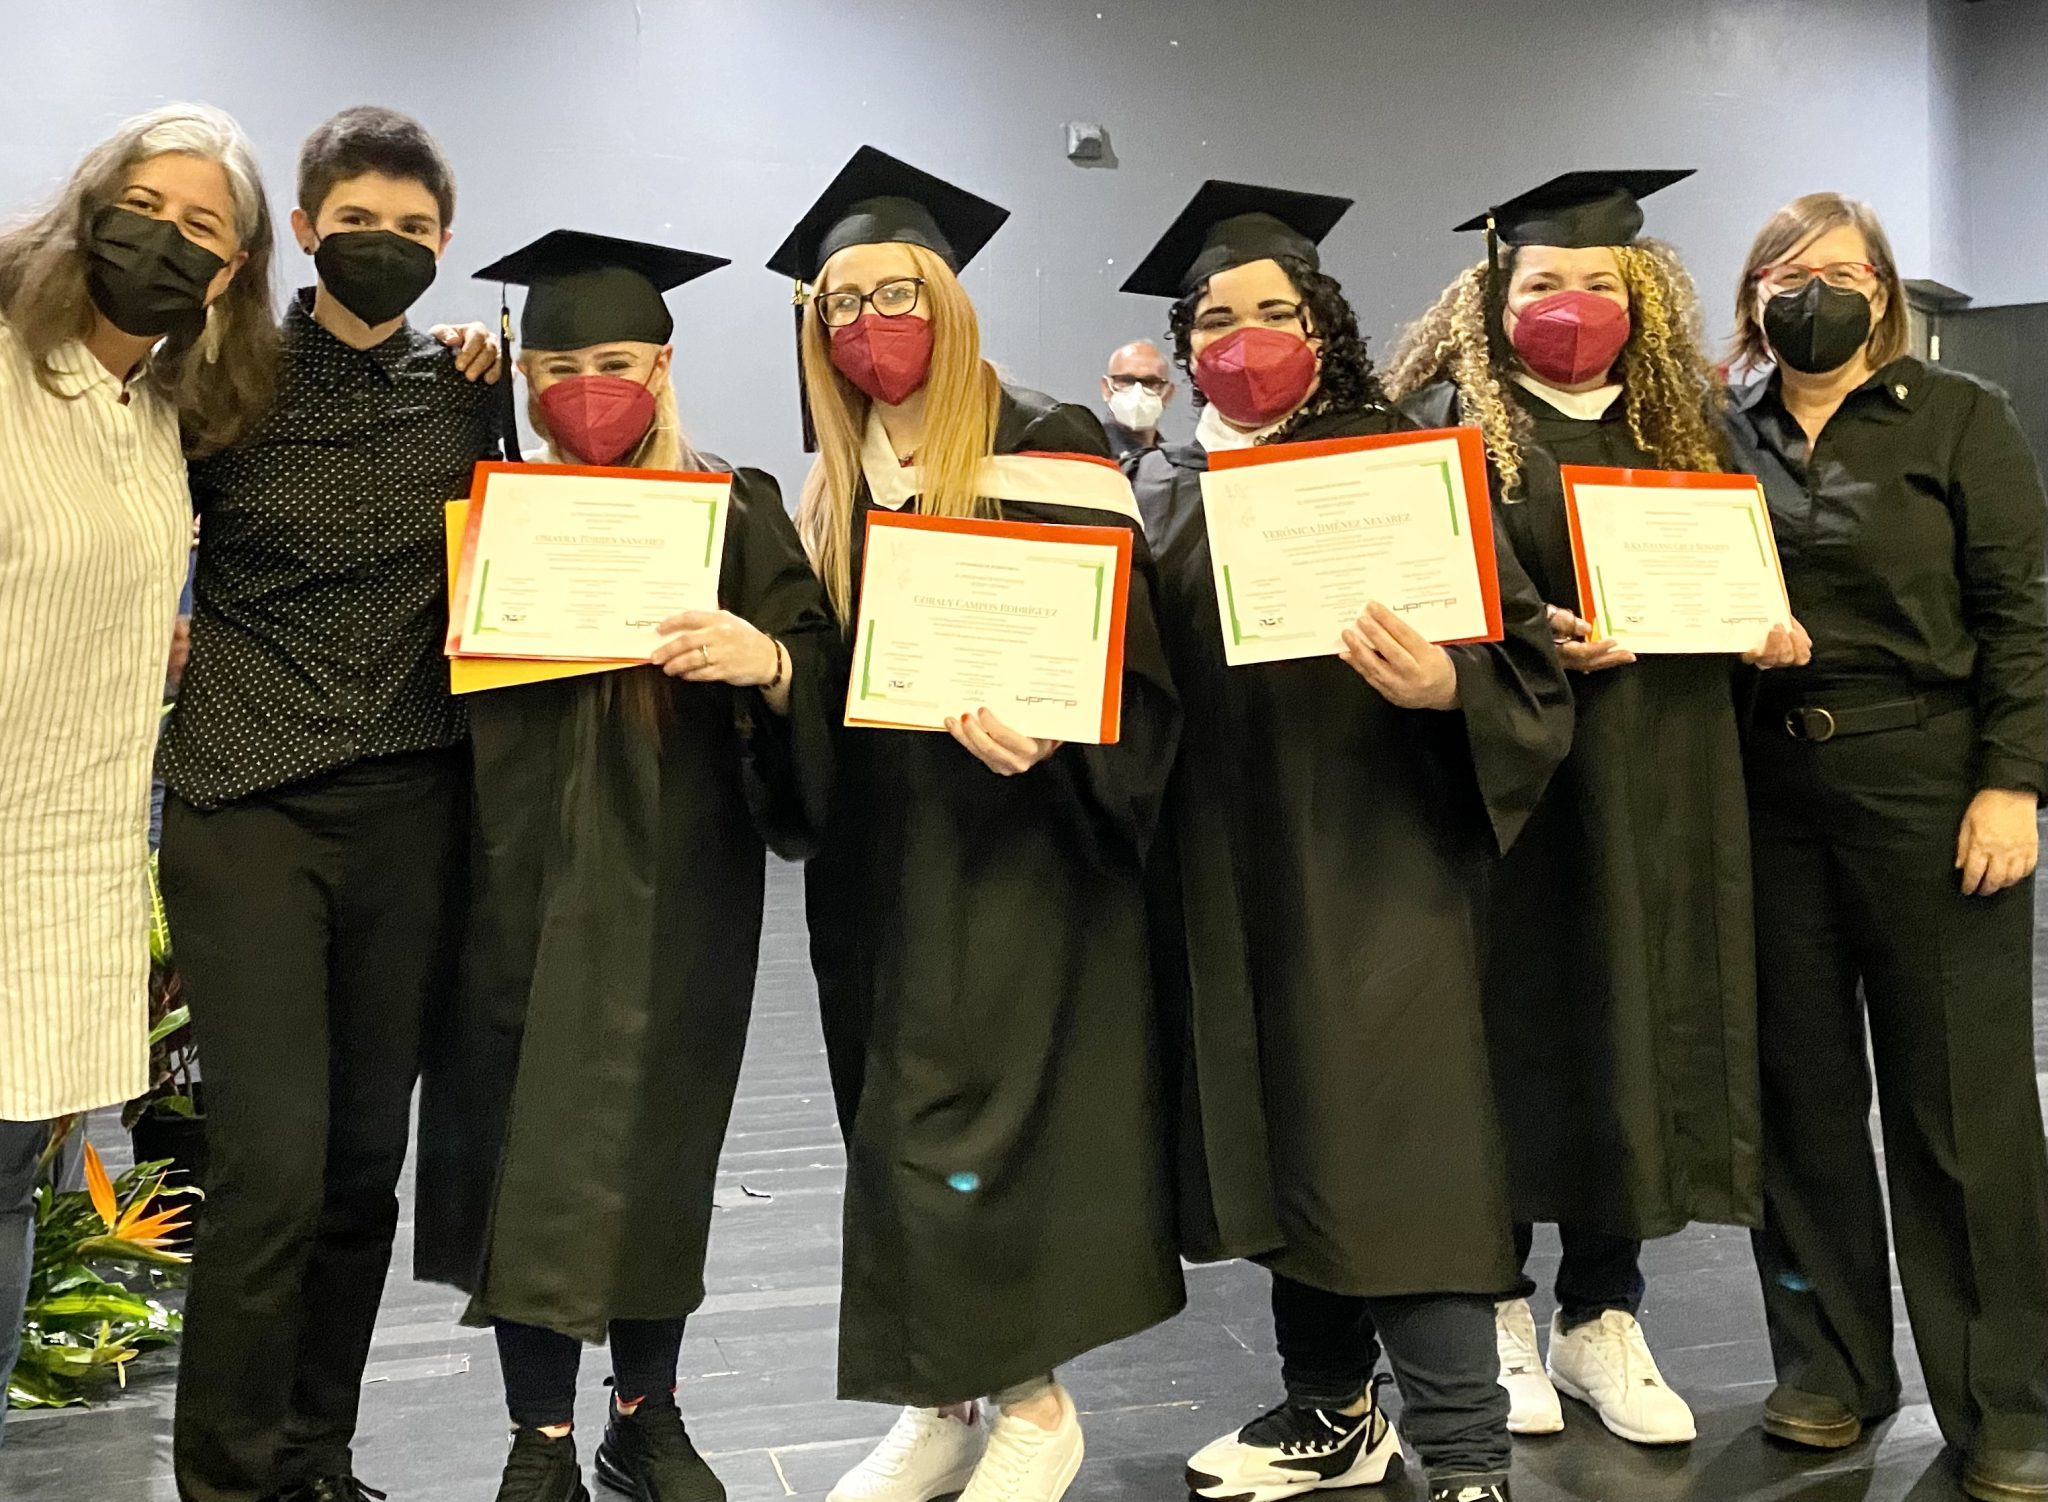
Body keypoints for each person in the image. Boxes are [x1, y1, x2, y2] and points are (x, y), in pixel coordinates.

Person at [1124, 179, 1573, 1502]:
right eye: (1217, 316)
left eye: (1276, 309)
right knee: (1276, 1138)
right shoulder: (1172, 491)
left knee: (1399, 1155)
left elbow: (1531, 662)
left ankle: (1468, 1453)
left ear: (1324, 325)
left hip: (1386, 873)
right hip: (1230, 867)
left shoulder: (1403, 474)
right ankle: (1327, 1406)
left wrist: (1454, 687)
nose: (1244, 337)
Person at [776, 146, 1184, 1502]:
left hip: (1018, 839)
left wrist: (1065, 731)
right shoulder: (828, 485)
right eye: (842, 302)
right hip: (877, 855)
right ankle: (946, 1395)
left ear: (949, 303)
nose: (868, 323)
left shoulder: (1054, 441)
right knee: (889, 1122)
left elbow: (1131, 658)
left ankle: (1038, 1402)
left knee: (992, 1127)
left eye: (895, 293)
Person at [408, 229, 837, 1502]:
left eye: (610, 359)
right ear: (524, 376)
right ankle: (538, 1431)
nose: (582, 385)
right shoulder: (486, 512)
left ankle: (643, 1414)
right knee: (517, 1149)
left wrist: (765, 663)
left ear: (660, 361)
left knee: (658, 1149)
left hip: (677, 886)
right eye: (553, 363)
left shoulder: (736, 503)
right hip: (507, 882)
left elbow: (816, 663)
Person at [1382, 170, 1809, 1446]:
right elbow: (1408, 597)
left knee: (1638, 1014)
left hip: (1661, 780)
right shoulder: (1447, 421)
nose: (1570, 306)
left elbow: (1748, 578)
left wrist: (1766, 629)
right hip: (1507, 785)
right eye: (1542, 283)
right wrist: (1520, 639)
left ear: (1643, 298)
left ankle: (1601, 1312)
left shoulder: (1690, 426)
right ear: (1490, 295)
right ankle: (1501, 1301)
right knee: (1506, 1027)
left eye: (1596, 284)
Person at [158, 106, 501, 1502]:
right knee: (270, 1171)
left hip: (414, 809)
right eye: (358, 223)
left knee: (364, 1167)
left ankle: (318, 1456)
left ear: (444, 247)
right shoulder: (223, 378)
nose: (386, 247)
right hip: (249, 800)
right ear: (303, 229)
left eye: (415, 231)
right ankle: (229, 1482)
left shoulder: (469, 387)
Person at [1724, 192, 2048, 1502]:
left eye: (1843, 271)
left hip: (1930, 779)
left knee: (1965, 1108)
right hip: (1761, 784)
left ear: (1886, 289)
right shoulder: (1705, 436)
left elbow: (2022, 614)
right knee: (1798, 1102)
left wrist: (2014, 782)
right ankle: (1828, 1367)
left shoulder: (1963, 417)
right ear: (1755, 295)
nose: (1818, 290)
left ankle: (2006, 1401)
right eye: (1791, 272)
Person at [0, 101, 275, 1440]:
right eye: (146, 207)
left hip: (69, 852)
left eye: (202, 230)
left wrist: (142, 638)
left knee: (8, 1181)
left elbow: (88, 573)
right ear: (89, 201)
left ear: (229, 277)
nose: (164, 240)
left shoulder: (158, 408)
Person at [1098, 338, 1178, 530]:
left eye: (1151, 383)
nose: (1138, 392)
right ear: (1106, 389)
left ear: (1168, 393)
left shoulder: (1174, 464)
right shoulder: (1089, 455)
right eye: (1125, 381)